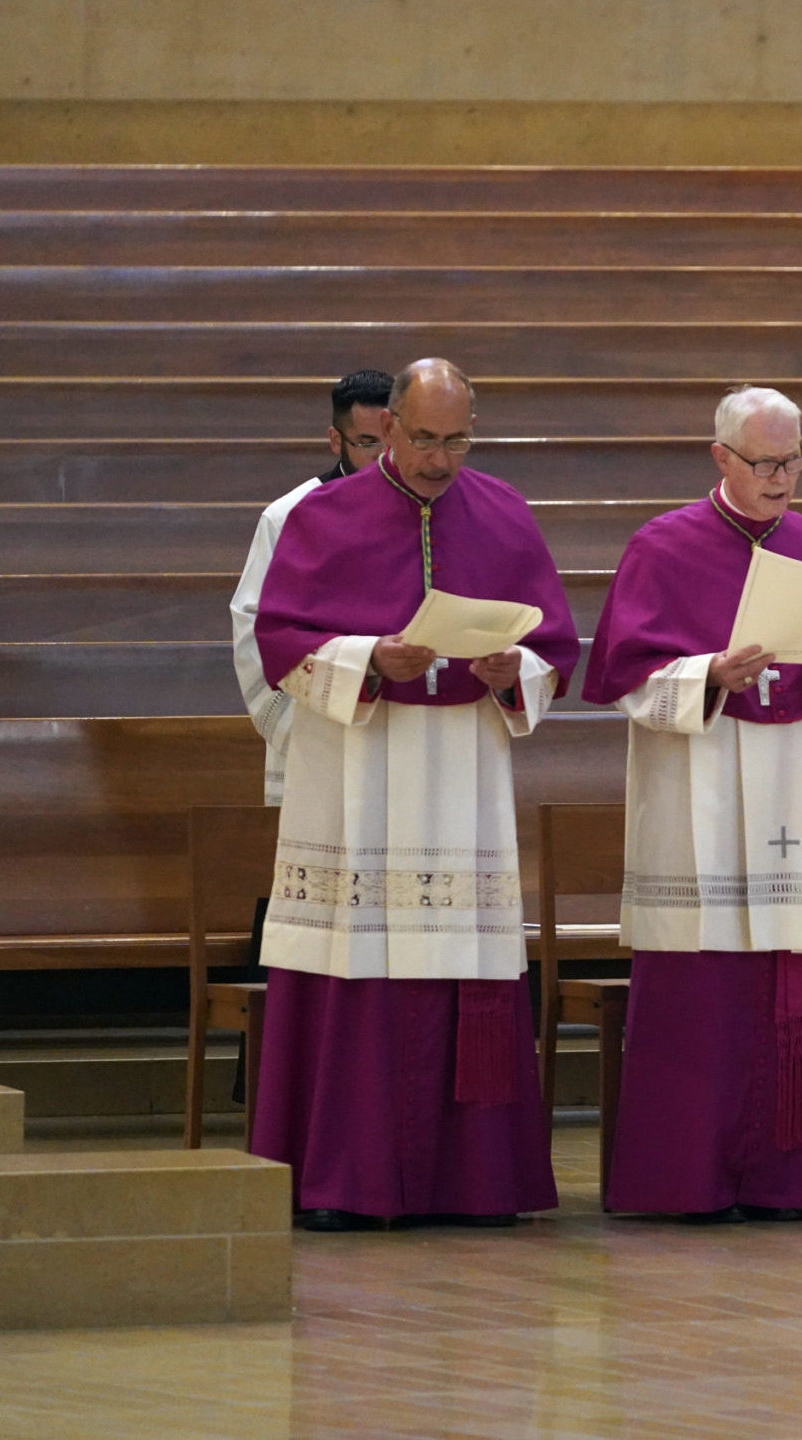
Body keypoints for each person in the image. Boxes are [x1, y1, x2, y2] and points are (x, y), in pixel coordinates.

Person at [247, 358, 580, 1231]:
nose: (439, 459)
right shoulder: (320, 517)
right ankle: (344, 1180)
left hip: (462, 768)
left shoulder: (504, 510)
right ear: (388, 427)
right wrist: (368, 658)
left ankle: (473, 1182)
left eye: (457, 439)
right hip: (361, 769)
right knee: (356, 967)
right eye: (424, 438)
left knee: (464, 965)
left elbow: (556, 642)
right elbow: (278, 642)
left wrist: (518, 669)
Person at [581, 385, 802, 1224]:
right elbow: (622, 675)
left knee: (790, 980)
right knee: (701, 989)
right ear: (721, 458)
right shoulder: (663, 546)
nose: (784, 477)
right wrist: (707, 673)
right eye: (767, 462)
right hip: (700, 784)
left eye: (795, 460)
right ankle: (682, 1179)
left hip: (794, 774)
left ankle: (786, 1181)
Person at [231, 368, 394, 806]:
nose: (385, 456)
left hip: (406, 732)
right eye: (368, 443)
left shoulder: (426, 513)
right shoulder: (288, 517)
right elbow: (253, 632)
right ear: (335, 440)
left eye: (394, 439)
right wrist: (304, 734)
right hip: (317, 732)